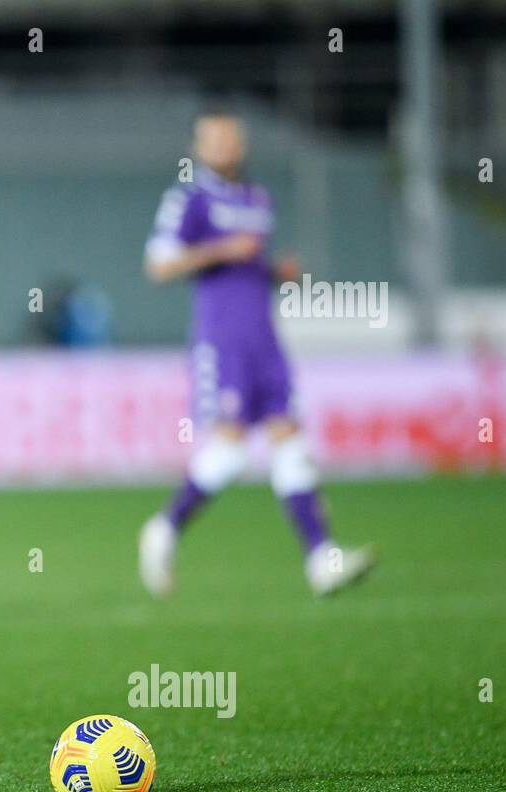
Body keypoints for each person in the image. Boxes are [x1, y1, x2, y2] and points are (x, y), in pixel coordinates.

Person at [139, 110, 376, 597]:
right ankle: (164, 528)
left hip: (265, 339)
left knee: (291, 441)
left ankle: (321, 560)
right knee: (228, 450)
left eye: (231, 138)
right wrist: (221, 249)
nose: (224, 146)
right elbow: (159, 265)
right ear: (199, 148)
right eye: (214, 139)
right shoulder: (189, 198)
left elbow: (248, 263)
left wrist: (273, 271)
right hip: (221, 341)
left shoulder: (256, 198)